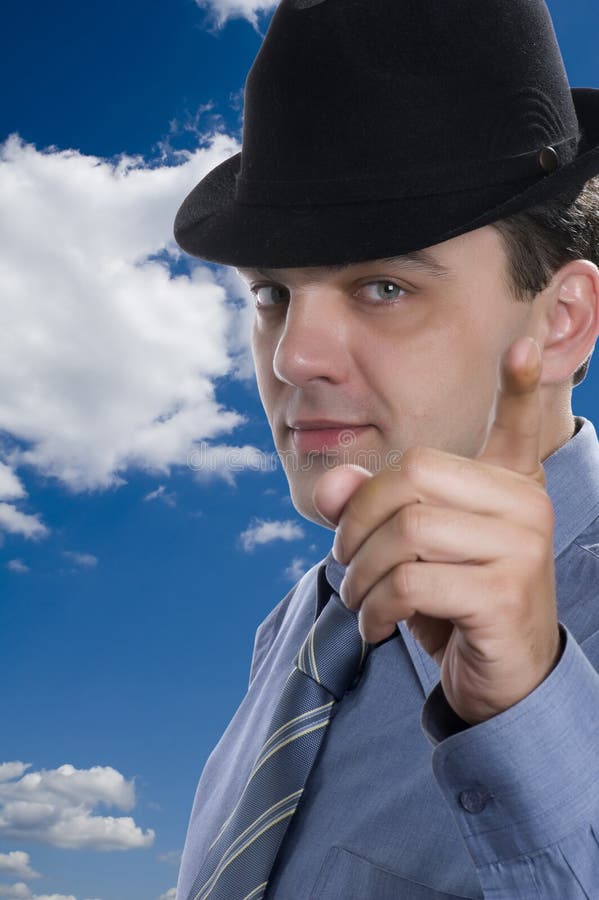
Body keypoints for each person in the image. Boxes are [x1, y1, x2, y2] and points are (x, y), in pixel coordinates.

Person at [172, 1, 599, 897]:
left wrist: (526, 714)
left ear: (560, 324)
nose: (292, 357)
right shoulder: (299, 626)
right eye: (271, 296)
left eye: (382, 284)